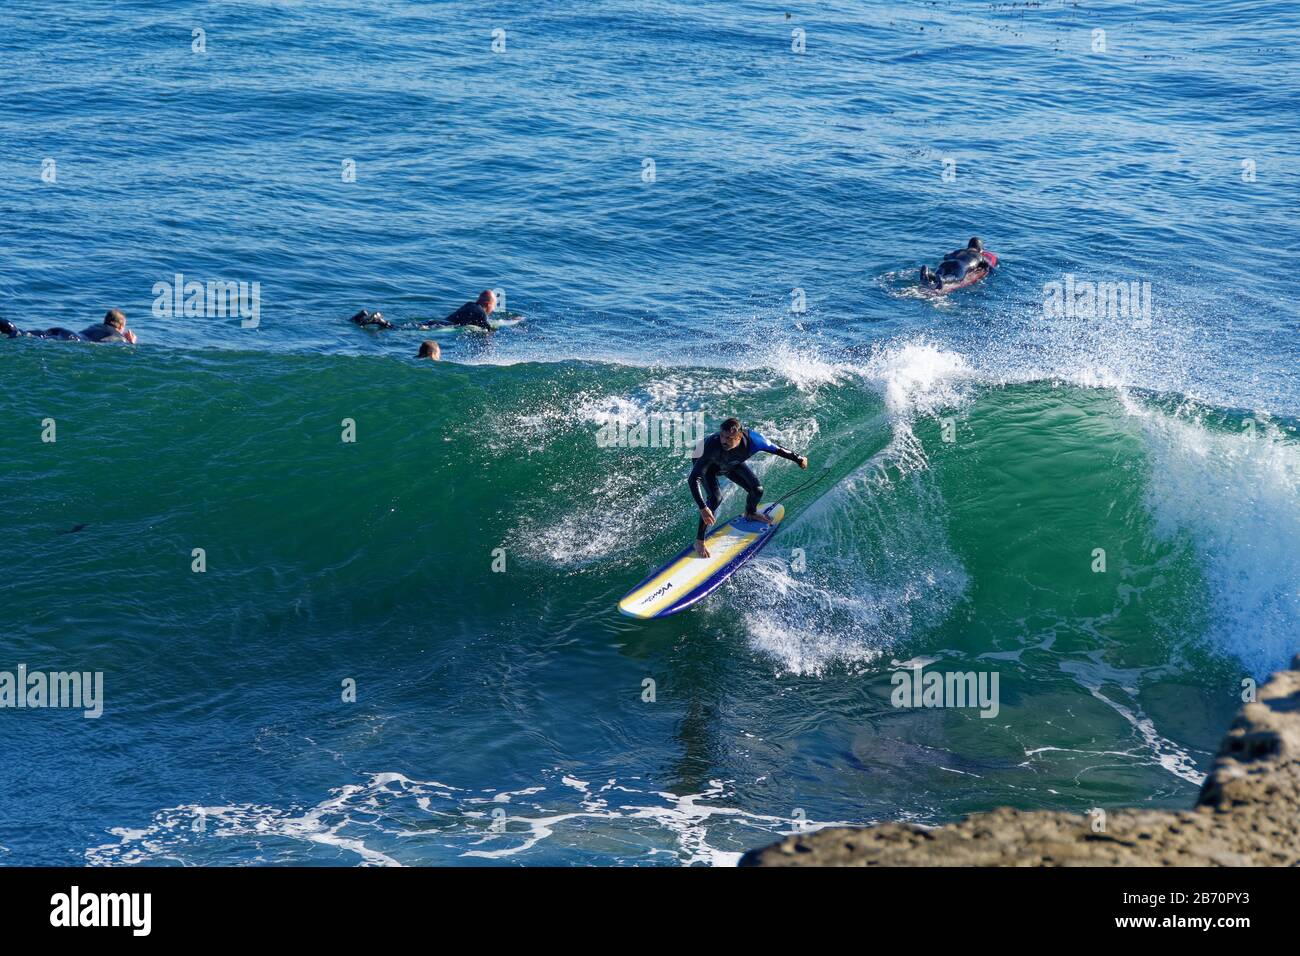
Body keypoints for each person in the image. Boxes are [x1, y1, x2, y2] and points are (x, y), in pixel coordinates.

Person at [688, 418, 808, 558]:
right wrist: (703, 507)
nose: (723, 441)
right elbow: (693, 478)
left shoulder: (755, 441)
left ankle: (750, 513)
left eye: (729, 437)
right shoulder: (711, 446)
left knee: (757, 490)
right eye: (722, 436)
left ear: (739, 437)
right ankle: (699, 541)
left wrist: (799, 459)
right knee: (715, 499)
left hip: (731, 464)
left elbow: (778, 449)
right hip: (707, 466)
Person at [1, 309, 137, 343]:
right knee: (25, 336)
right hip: (73, 339)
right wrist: (129, 343)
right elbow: (107, 343)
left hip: (63, 330)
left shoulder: (96, 326)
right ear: (121, 325)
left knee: (26, 333)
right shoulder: (117, 335)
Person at [920, 237, 992, 290]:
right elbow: (987, 266)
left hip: (947, 263)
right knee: (956, 277)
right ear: (980, 249)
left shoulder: (959, 251)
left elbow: (946, 257)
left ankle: (928, 273)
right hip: (961, 266)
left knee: (938, 274)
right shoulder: (980, 256)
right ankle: (943, 280)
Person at [427, 290, 496, 331]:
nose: (493, 309)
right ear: (488, 304)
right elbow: (487, 331)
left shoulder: (469, 304)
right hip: (440, 327)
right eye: (493, 306)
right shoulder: (481, 313)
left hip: (437, 322)